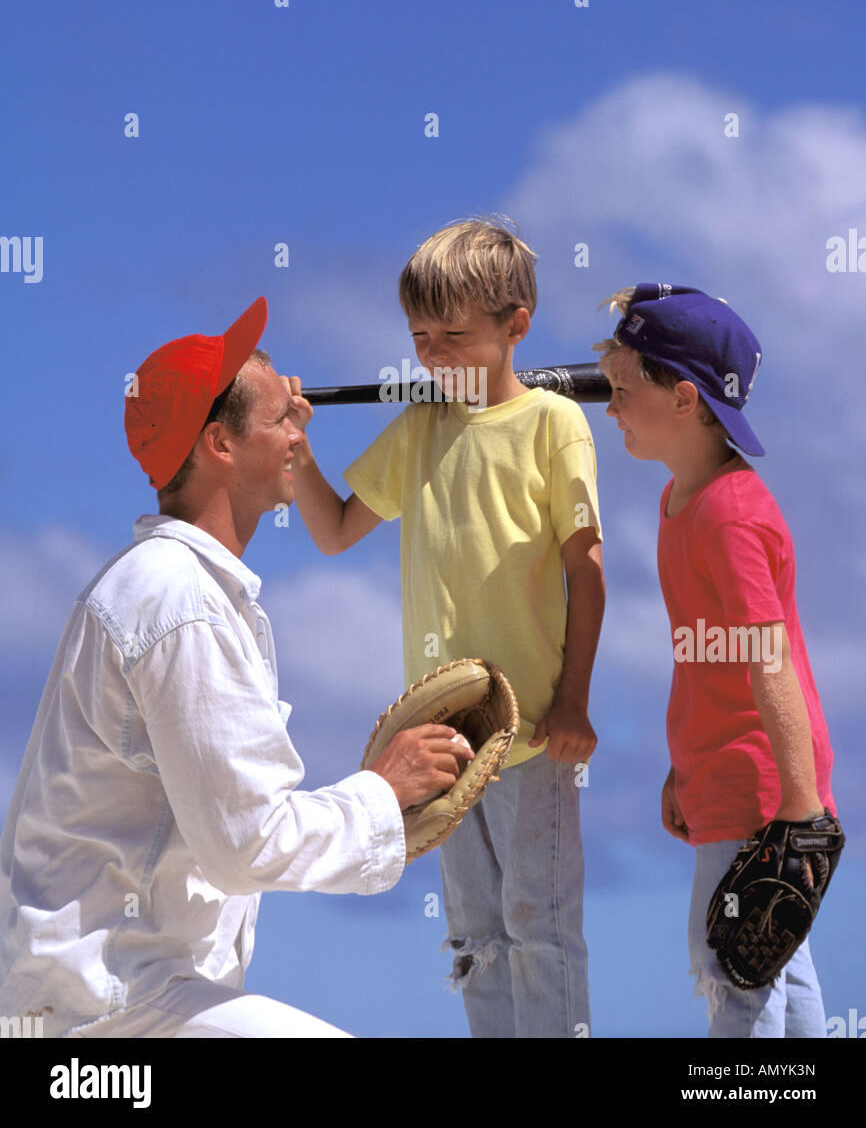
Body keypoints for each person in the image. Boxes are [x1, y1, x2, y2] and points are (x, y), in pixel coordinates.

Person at [0, 296, 471, 1039]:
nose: (302, 425)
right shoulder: (181, 601)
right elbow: (246, 841)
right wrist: (381, 793)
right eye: (283, 415)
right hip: (112, 1019)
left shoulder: (167, 587)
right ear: (220, 445)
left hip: (101, 1006)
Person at [286, 219, 605, 1038]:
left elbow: (586, 568)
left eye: (454, 336)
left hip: (532, 730)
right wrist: (293, 447)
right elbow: (332, 530)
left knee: (540, 925)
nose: (433, 356)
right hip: (444, 738)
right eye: (420, 338)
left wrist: (573, 705)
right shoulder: (421, 429)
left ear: (516, 327)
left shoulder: (553, 423)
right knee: (475, 937)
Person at [596, 282, 836, 1038]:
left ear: (685, 399)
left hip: (760, 782)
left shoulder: (728, 514)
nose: (608, 407)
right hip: (727, 771)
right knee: (777, 971)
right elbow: (711, 661)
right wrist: (682, 766)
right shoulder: (681, 501)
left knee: (731, 968)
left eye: (623, 388)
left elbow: (769, 665)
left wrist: (798, 810)